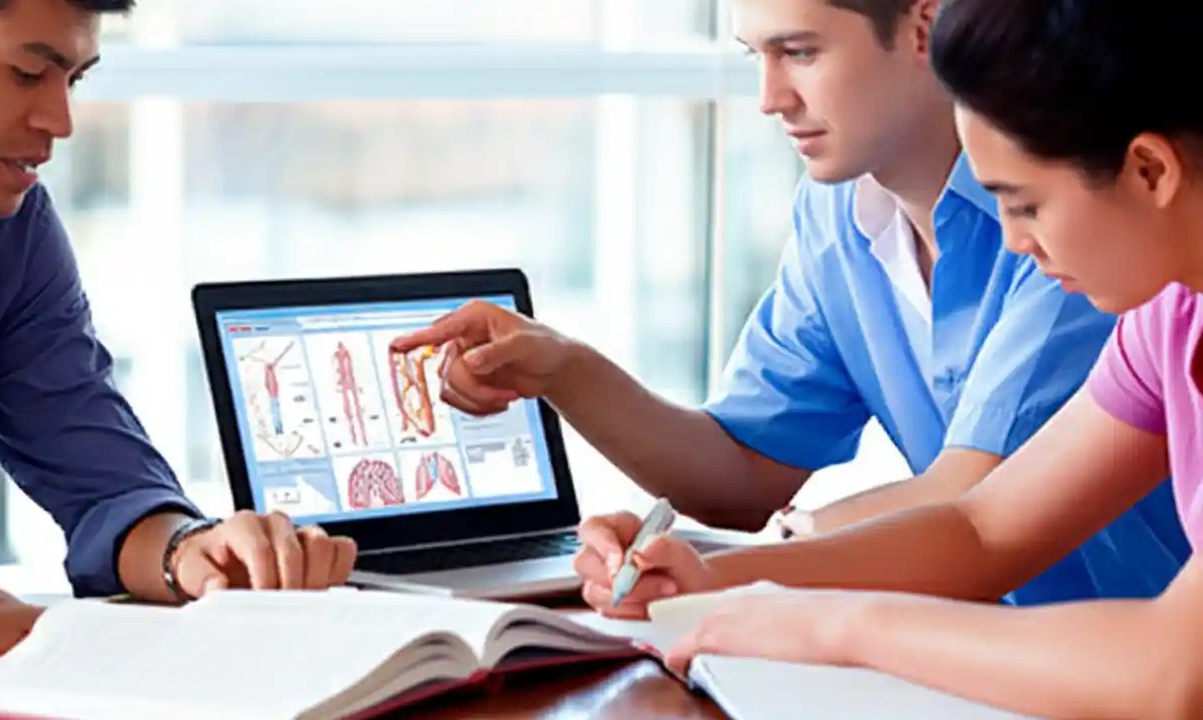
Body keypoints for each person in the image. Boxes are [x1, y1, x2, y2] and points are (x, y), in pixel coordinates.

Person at [391, 0, 1186, 613]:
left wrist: (739, 568)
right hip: (1003, 651)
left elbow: (970, 506)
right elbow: (743, 473)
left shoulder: (1087, 220)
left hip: (1106, 640)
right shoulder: (837, 217)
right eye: (754, 56)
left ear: (925, 29)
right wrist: (563, 368)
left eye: (799, 52)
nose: (769, 98)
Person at [649, 0, 1203, 716]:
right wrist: (715, 579)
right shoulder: (1169, 315)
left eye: (1025, 204)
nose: (1010, 241)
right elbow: (985, 528)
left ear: (1149, 171)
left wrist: (842, 626)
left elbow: (1174, 670)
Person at [0, 0, 355, 675]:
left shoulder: (11, 228)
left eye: (74, 79)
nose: (59, 122)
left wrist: (190, 553)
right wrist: (31, 631)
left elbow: (100, 481)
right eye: (27, 71)